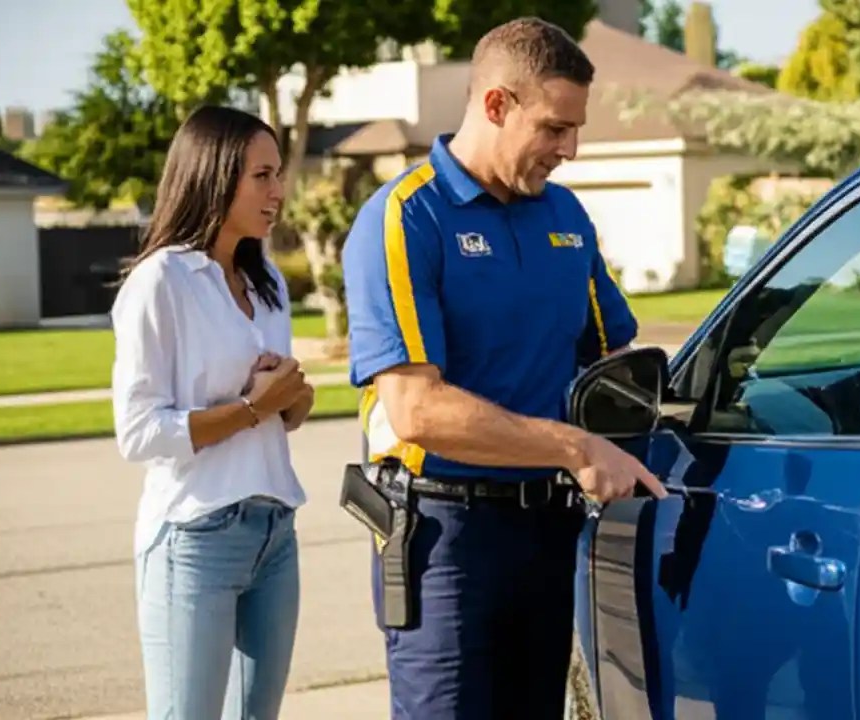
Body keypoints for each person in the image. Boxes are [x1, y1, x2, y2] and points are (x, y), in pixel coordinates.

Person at [341, 16, 668, 720]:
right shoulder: (405, 217)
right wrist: (573, 446)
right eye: (554, 128)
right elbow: (415, 411)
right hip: (444, 539)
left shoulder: (566, 216)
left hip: (547, 532)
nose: (569, 150)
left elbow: (614, 363)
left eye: (574, 130)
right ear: (496, 105)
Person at [111, 104, 314, 720]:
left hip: (275, 532)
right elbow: (140, 432)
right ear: (213, 174)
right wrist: (255, 406)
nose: (278, 190)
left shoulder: (267, 281)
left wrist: (292, 397)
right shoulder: (160, 283)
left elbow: (288, 413)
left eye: (279, 173)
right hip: (195, 539)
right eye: (262, 175)